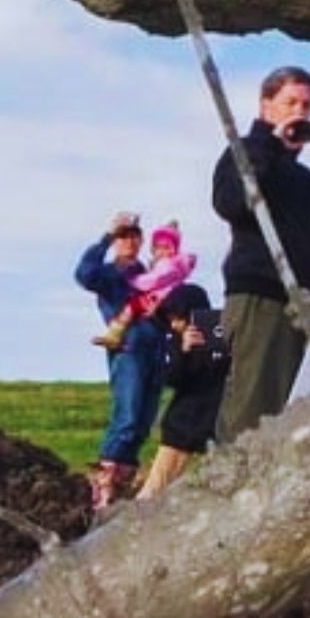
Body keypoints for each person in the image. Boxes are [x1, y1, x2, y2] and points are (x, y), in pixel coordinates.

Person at [212, 67, 310, 444]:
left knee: (291, 412)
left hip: (302, 304)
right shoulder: (245, 152)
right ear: (267, 107)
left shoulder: (298, 177)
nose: (300, 112)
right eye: (290, 103)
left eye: (307, 105)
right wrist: (271, 144)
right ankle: (234, 491)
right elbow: (230, 201)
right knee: (252, 415)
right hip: (262, 298)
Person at [75, 212, 170, 509]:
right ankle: (103, 484)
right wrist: (105, 237)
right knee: (127, 416)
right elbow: (83, 274)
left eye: (133, 235)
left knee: (143, 421)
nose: (129, 241)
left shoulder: (149, 274)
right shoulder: (108, 274)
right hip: (128, 349)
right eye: (123, 236)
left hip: (155, 350)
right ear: (115, 241)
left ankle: (123, 482)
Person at [135, 284, 230, 500]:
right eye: (170, 318)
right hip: (182, 427)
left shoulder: (222, 332)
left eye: (180, 317)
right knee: (153, 492)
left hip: (217, 425)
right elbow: (172, 379)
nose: (175, 324)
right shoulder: (174, 342)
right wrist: (184, 352)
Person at [92, 221, 198, 351]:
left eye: (165, 247)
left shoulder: (168, 265)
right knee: (168, 321)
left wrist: (134, 281)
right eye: (157, 247)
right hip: (163, 297)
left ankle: (114, 336)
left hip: (160, 297)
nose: (160, 251)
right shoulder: (171, 264)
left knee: (130, 308)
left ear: (173, 249)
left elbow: (154, 280)